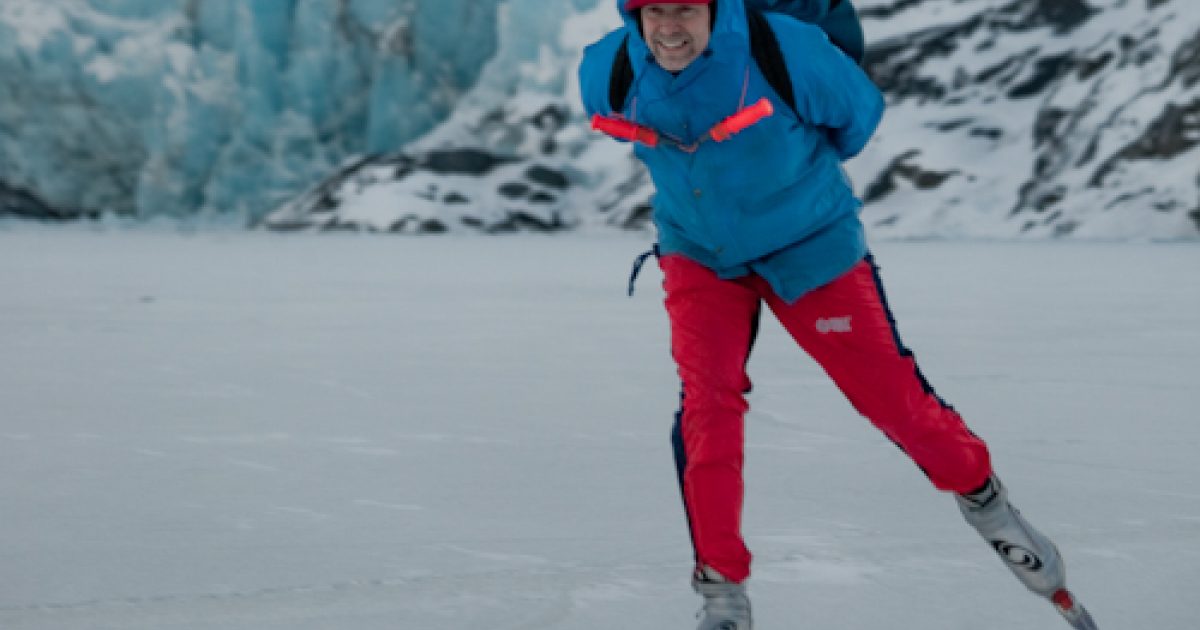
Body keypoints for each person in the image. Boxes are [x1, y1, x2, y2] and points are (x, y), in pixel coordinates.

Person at [578, 2, 1098, 629]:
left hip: (812, 247)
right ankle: (722, 594)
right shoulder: (605, 67)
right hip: (701, 254)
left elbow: (857, 117)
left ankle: (985, 502)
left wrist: (786, 176)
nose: (668, 27)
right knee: (707, 406)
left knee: (891, 398)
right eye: (654, 11)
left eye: (685, 9)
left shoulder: (786, 48)